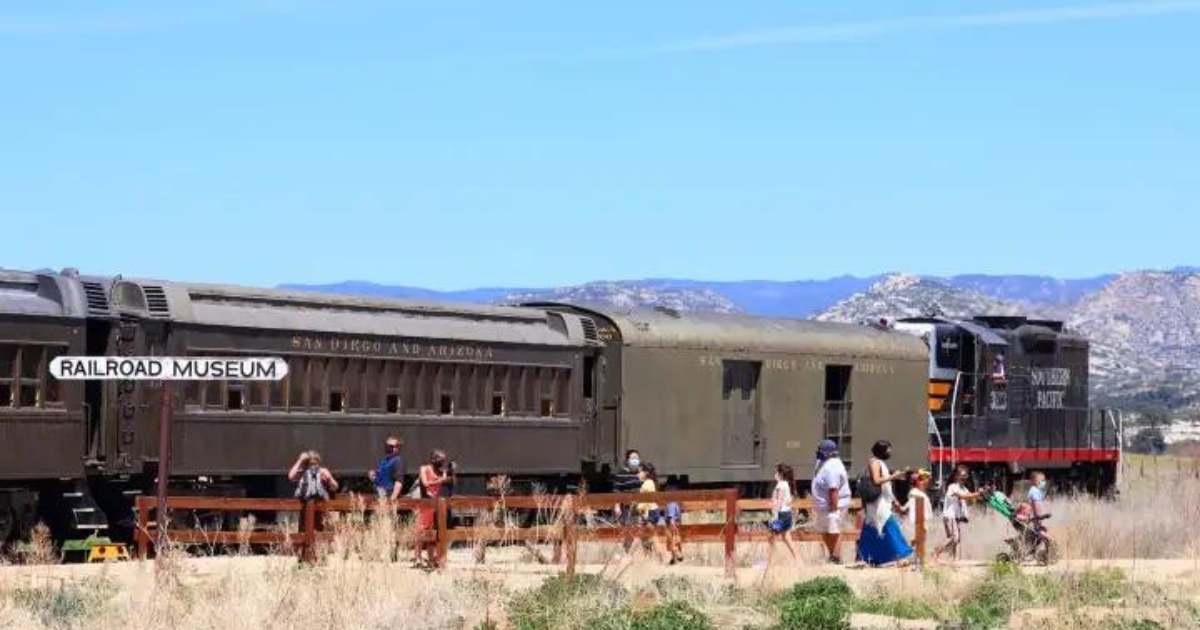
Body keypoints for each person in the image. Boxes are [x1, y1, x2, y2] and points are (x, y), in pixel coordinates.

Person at [856, 440, 913, 567]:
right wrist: (894, 476)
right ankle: (900, 555)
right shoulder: (875, 462)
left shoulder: (880, 463)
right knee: (889, 525)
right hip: (878, 502)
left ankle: (865, 557)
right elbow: (877, 480)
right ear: (881, 450)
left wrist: (894, 499)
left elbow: (886, 485)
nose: (890, 452)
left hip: (883, 501)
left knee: (873, 528)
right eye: (888, 449)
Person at [811, 439, 851, 564]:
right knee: (824, 531)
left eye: (820, 450)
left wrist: (834, 509)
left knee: (834, 531)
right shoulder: (824, 463)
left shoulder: (831, 467)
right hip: (824, 506)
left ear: (828, 453)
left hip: (832, 505)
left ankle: (836, 557)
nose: (817, 452)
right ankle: (833, 556)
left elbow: (833, 489)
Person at [934, 467, 985, 561]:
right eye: (963, 476)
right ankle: (937, 551)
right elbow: (963, 496)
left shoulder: (964, 488)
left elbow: (970, 498)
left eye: (966, 476)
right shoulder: (952, 487)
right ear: (957, 476)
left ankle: (956, 559)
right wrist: (977, 494)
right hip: (949, 516)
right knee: (954, 538)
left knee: (957, 540)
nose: (965, 478)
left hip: (956, 517)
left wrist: (983, 493)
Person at [412, 450, 451, 568]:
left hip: (434, 503)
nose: (442, 463)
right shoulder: (424, 468)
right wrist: (440, 480)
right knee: (420, 530)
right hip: (424, 502)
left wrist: (446, 476)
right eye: (440, 460)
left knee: (432, 532)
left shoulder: (441, 471)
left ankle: (430, 559)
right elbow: (425, 483)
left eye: (443, 460)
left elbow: (446, 483)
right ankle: (417, 558)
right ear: (434, 459)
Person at [636, 462, 669, 562]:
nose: (638, 474)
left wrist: (643, 513)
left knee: (651, 537)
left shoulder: (648, 483)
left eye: (640, 472)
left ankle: (662, 558)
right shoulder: (649, 482)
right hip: (650, 511)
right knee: (646, 537)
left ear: (645, 472)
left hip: (649, 511)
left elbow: (646, 500)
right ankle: (651, 558)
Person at [612, 449, 643, 553]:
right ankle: (627, 552)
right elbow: (616, 491)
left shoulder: (642, 473)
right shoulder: (621, 474)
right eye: (633, 458)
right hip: (627, 507)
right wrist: (617, 506)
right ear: (627, 460)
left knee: (643, 530)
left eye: (637, 458)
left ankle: (647, 554)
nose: (635, 460)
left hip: (641, 506)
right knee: (628, 530)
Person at [768, 463, 798, 561]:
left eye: (776, 472)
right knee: (786, 537)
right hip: (787, 514)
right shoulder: (786, 484)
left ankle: (770, 560)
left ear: (780, 474)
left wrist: (775, 516)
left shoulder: (780, 485)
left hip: (780, 514)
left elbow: (779, 500)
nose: (775, 474)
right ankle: (797, 558)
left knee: (771, 536)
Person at [900, 469, 934, 547]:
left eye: (925, 479)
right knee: (917, 539)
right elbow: (911, 496)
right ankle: (914, 554)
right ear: (917, 482)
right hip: (918, 519)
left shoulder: (922, 493)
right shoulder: (914, 491)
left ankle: (917, 555)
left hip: (924, 519)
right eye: (921, 480)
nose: (925, 482)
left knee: (922, 539)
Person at [369, 436, 406, 501]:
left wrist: (392, 499)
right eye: (386, 445)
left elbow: (399, 482)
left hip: (387, 496)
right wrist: (373, 476)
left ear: (397, 448)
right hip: (380, 495)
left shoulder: (397, 461)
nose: (387, 447)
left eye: (390, 446)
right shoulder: (385, 460)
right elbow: (380, 479)